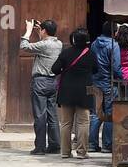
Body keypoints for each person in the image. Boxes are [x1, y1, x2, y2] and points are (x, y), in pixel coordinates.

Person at [50, 28, 95, 159]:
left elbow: (54, 69)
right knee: (83, 123)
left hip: (66, 90)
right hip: (85, 90)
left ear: (73, 39)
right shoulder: (90, 53)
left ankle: (65, 152)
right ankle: (82, 152)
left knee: (65, 123)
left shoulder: (66, 53)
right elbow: (96, 69)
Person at [20, 18, 63, 155]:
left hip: (40, 82)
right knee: (52, 115)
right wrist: (41, 31)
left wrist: (28, 31)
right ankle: (55, 145)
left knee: (40, 115)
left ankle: (40, 147)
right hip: (53, 82)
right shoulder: (59, 44)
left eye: (41, 30)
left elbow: (24, 46)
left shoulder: (44, 45)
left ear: (44, 31)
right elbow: (44, 42)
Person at [88, 21, 121, 153]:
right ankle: (107, 144)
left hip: (96, 81)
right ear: (114, 32)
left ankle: (92, 143)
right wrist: (123, 78)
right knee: (109, 113)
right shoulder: (114, 45)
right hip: (109, 82)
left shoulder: (94, 44)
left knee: (96, 113)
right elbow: (116, 66)